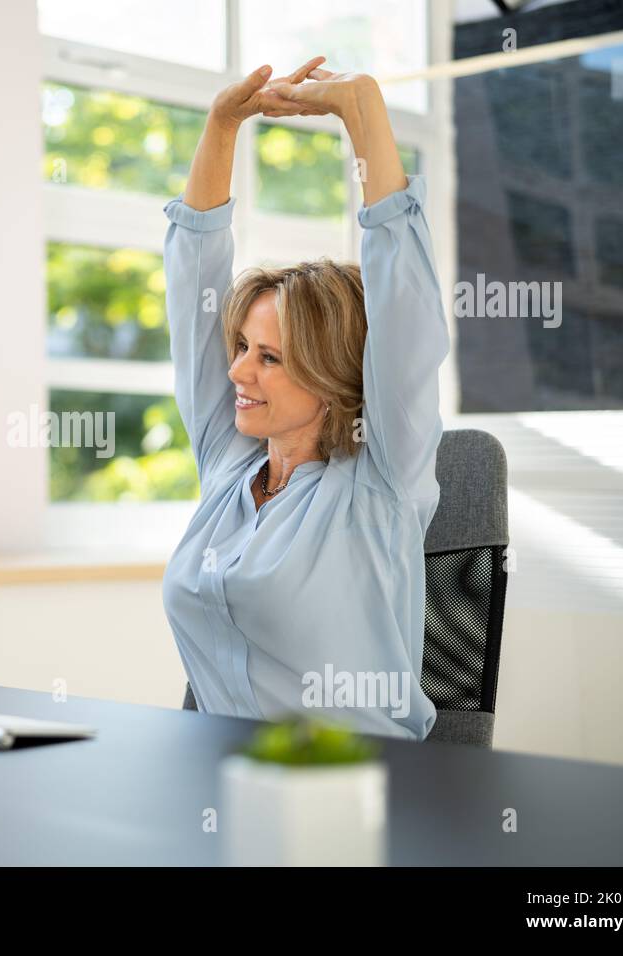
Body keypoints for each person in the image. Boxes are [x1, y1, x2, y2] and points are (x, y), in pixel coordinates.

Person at [160, 57, 448, 740]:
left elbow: (404, 314)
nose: (237, 373)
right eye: (239, 348)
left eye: (270, 358)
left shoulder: (381, 486)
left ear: (328, 375)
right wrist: (223, 126)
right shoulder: (231, 463)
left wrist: (361, 110)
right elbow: (191, 281)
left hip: (361, 800)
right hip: (231, 793)